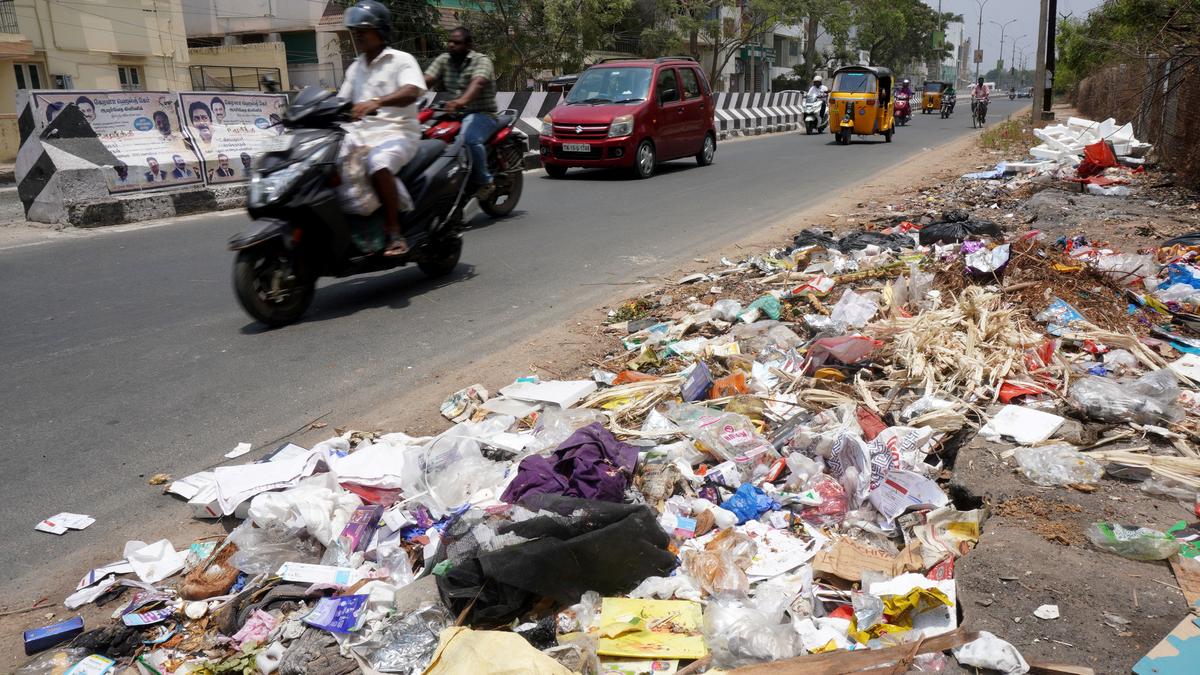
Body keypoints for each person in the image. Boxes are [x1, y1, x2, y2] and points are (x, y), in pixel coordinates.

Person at [337, 0, 426, 257]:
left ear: (381, 30)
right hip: (361, 134)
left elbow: (411, 91)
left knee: (378, 162)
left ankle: (394, 231)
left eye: (364, 30)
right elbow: (341, 101)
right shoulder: (355, 67)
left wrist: (377, 102)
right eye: (355, 31)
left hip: (398, 132)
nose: (358, 35)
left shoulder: (401, 60)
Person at [425, 26, 499, 200]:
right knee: (428, 135)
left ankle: (485, 181)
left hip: (482, 113)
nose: (451, 45)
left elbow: (478, 83)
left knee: (469, 139)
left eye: (457, 42)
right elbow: (426, 80)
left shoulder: (481, 61)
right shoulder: (444, 59)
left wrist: (460, 102)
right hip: (454, 114)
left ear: (468, 45)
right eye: (450, 41)